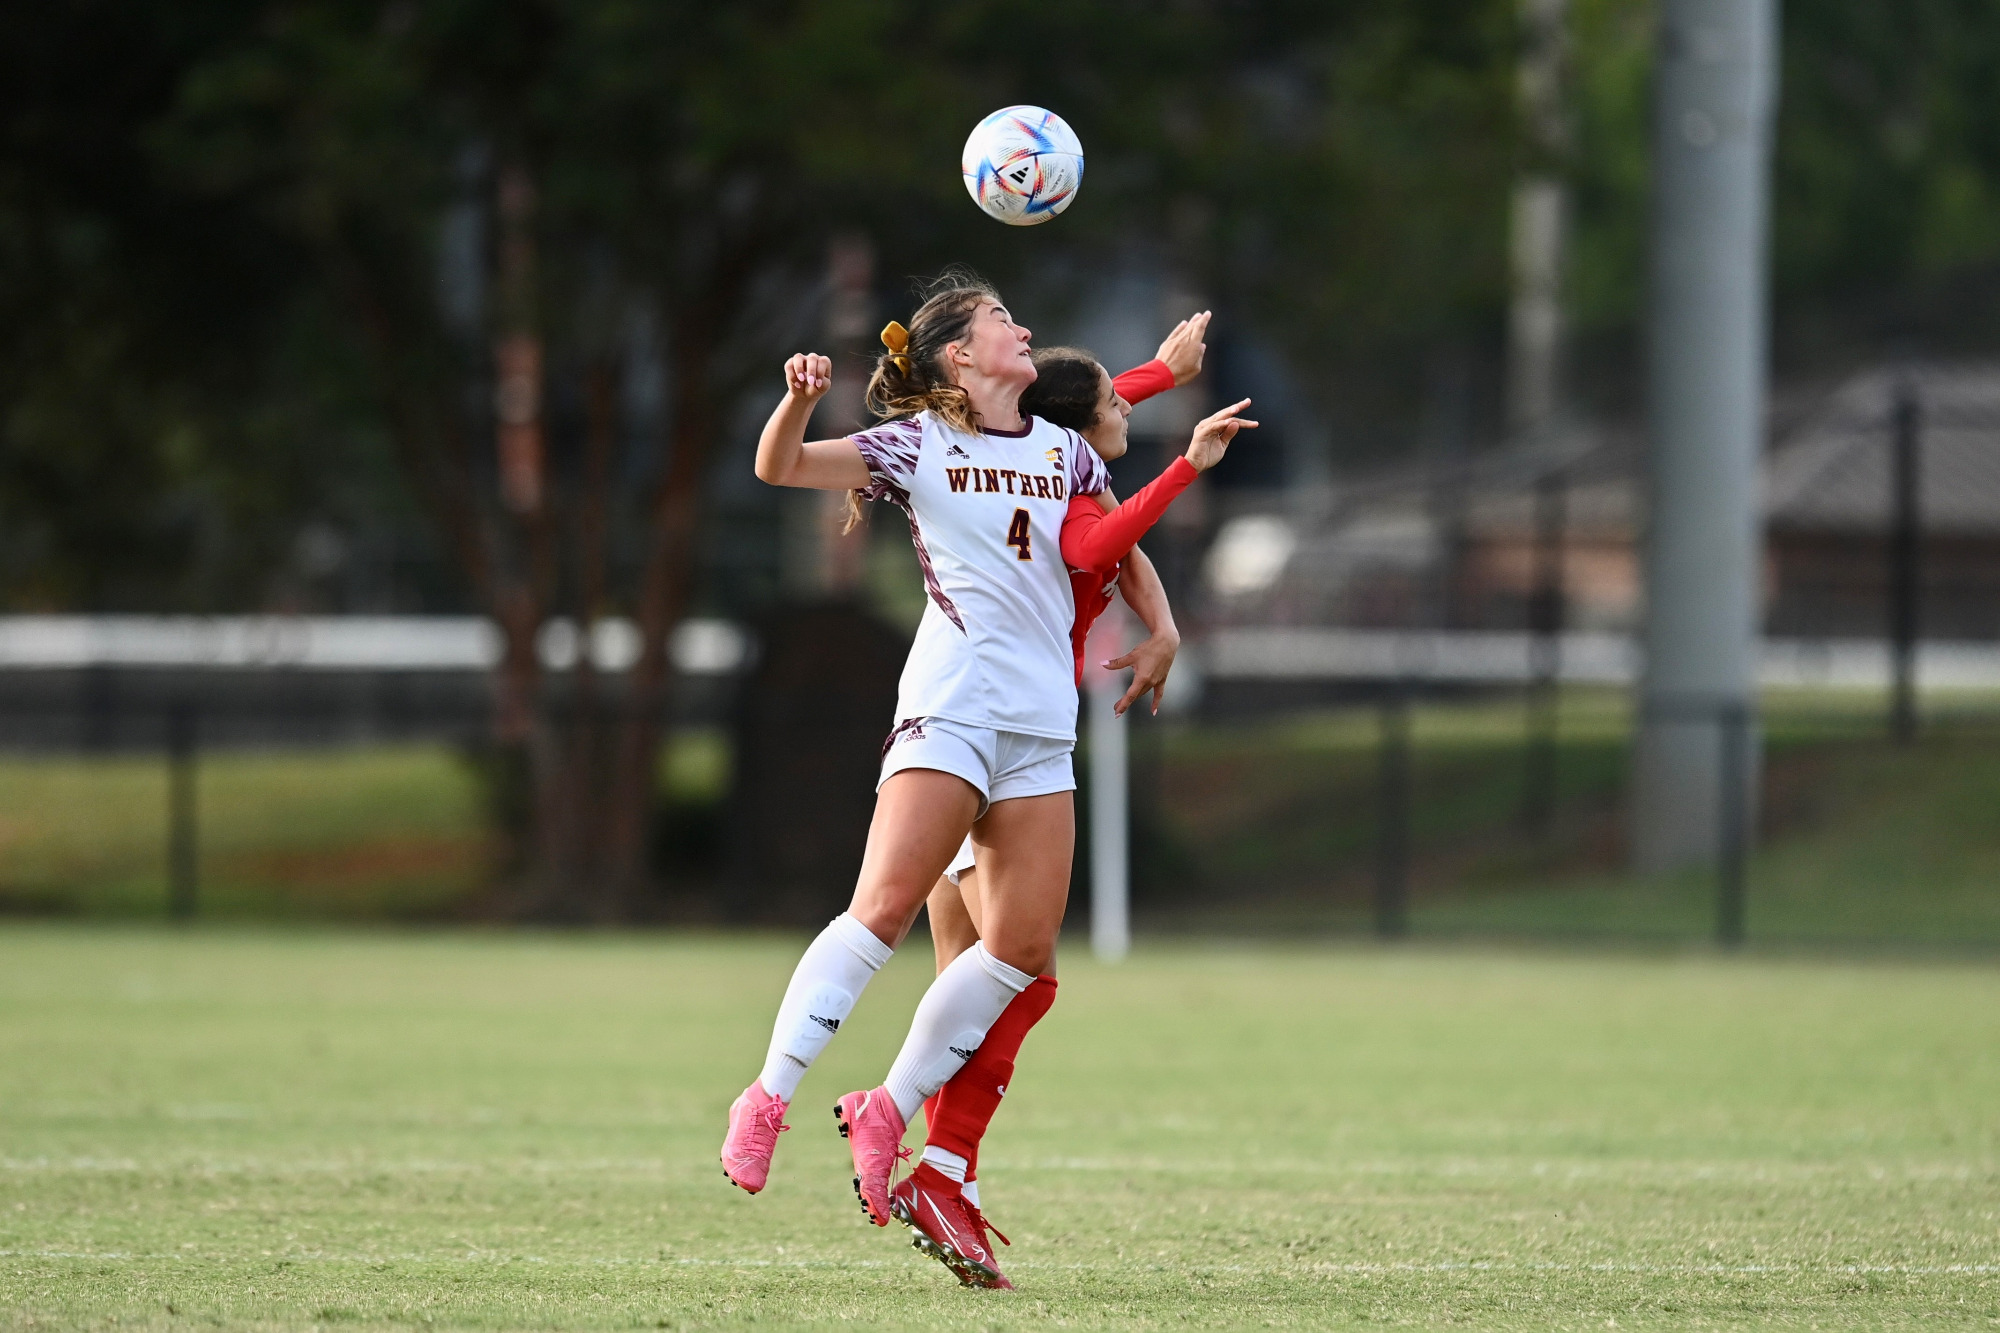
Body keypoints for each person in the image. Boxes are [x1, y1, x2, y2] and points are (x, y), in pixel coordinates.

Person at [719, 270, 1181, 1264]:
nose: (1023, 327)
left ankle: (888, 1108)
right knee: (882, 909)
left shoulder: (1062, 449)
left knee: (1020, 952)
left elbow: (1116, 535)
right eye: (1002, 319)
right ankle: (766, 1098)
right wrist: (797, 399)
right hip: (953, 707)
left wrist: (1161, 625)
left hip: (1040, 727)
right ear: (961, 356)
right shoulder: (918, 443)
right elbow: (780, 467)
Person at [897, 335, 1256, 1288]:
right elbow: (1098, 543)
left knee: (976, 986)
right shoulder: (1066, 489)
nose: (1125, 406)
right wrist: (1188, 463)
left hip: (972, 735)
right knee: (1021, 978)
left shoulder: (1057, 457)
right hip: (993, 743)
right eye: (1117, 402)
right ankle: (918, 1147)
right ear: (1076, 426)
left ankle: (947, 1181)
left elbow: (1090, 419)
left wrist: (1162, 375)